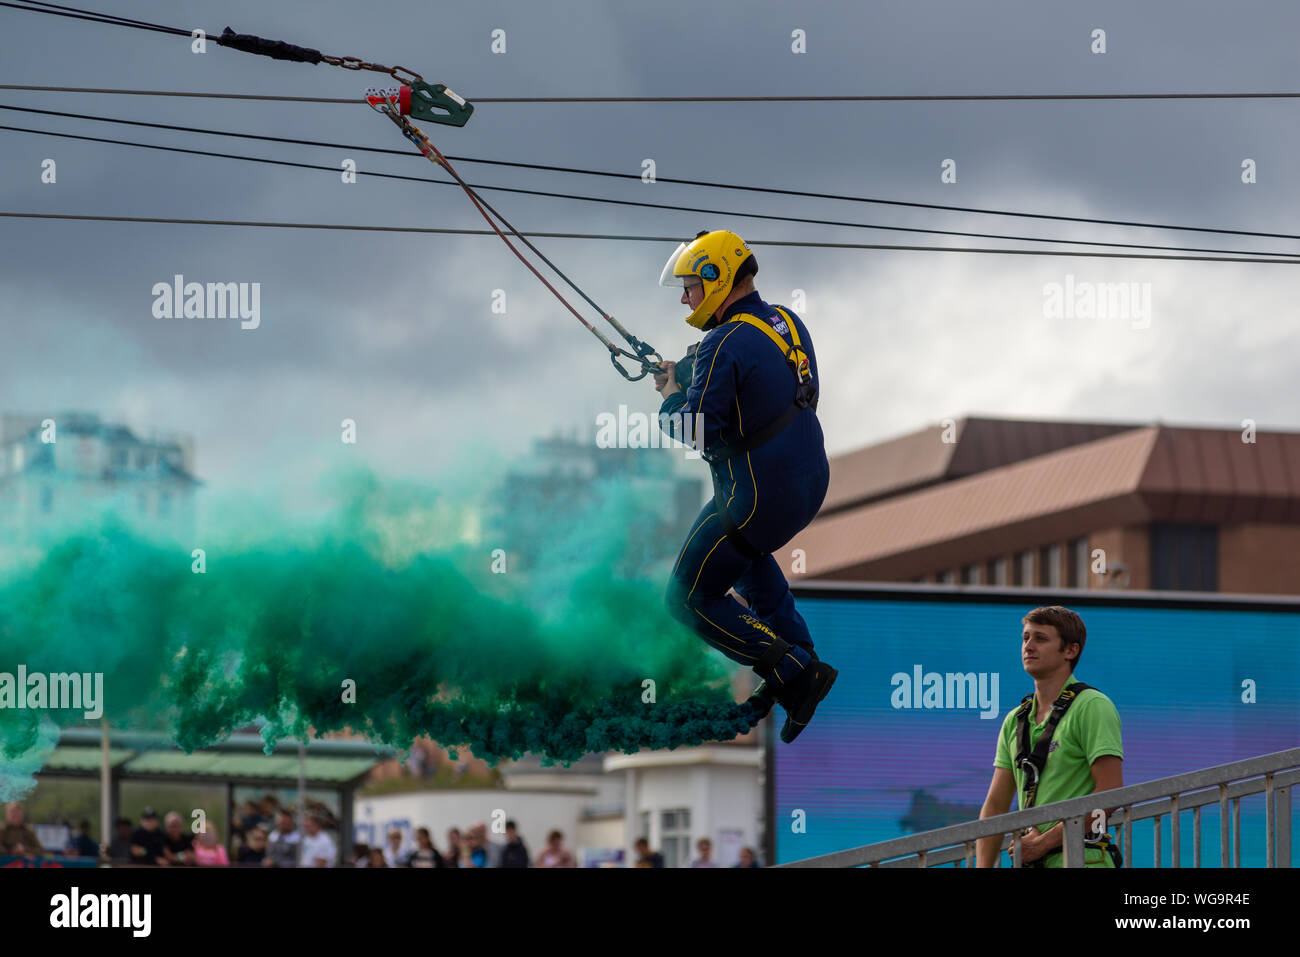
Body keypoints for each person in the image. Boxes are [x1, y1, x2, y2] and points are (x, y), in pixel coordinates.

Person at [655, 229, 836, 743]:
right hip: (806, 485)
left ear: (715, 278)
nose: (686, 298)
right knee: (749, 560)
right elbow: (768, 384)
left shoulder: (722, 341)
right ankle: (808, 666)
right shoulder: (784, 321)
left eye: (689, 286)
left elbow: (696, 429)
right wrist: (689, 373)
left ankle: (791, 669)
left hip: (755, 496)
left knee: (686, 597)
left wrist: (670, 396)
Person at [976, 606, 1124, 868]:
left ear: (1071, 650)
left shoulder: (1092, 705)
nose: (1028, 646)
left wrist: (1043, 843)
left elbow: (1110, 794)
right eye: (1025, 638)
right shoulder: (1015, 720)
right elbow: (995, 806)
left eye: (1041, 639)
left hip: (1085, 861)